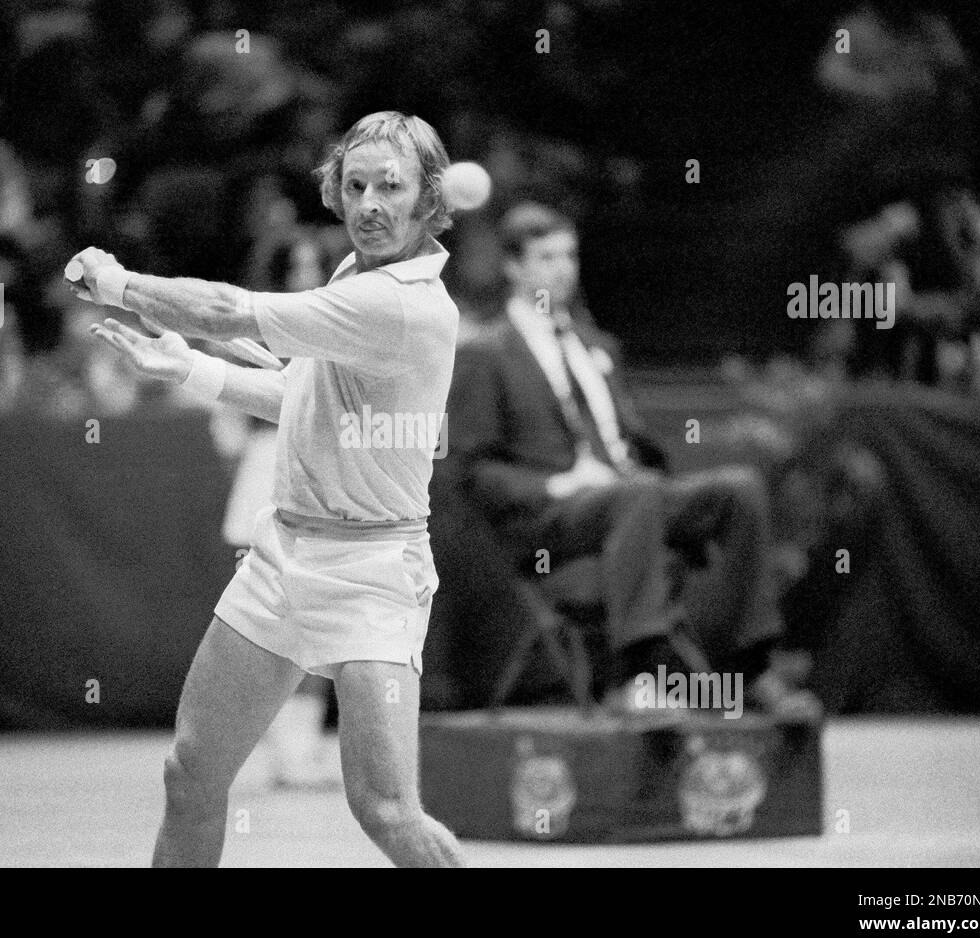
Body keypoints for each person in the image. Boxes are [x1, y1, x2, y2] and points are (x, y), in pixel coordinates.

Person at [73, 111, 467, 867]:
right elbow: (300, 398)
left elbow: (229, 310)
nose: (370, 204)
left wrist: (121, 286)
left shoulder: (403, 305)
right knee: (192, 773)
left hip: (371, 577)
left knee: (385, 811)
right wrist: (188, 369)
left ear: (428, 200)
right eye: (355, 186)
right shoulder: (358, 273)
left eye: (392, 187)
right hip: (281, 557)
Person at [448, 202, 820, 716]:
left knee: (739, 488)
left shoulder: (595, 345)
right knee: (636, 495)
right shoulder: (484, 352)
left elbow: (631, 442)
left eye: (569, 255)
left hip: (626, 496)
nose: (563, 269)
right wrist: (559, 485)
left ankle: (753, 668)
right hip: (552, 517)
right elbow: (475, 472)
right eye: (546, 257)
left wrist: (636, 470)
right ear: (513, 267)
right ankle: (640, 675)